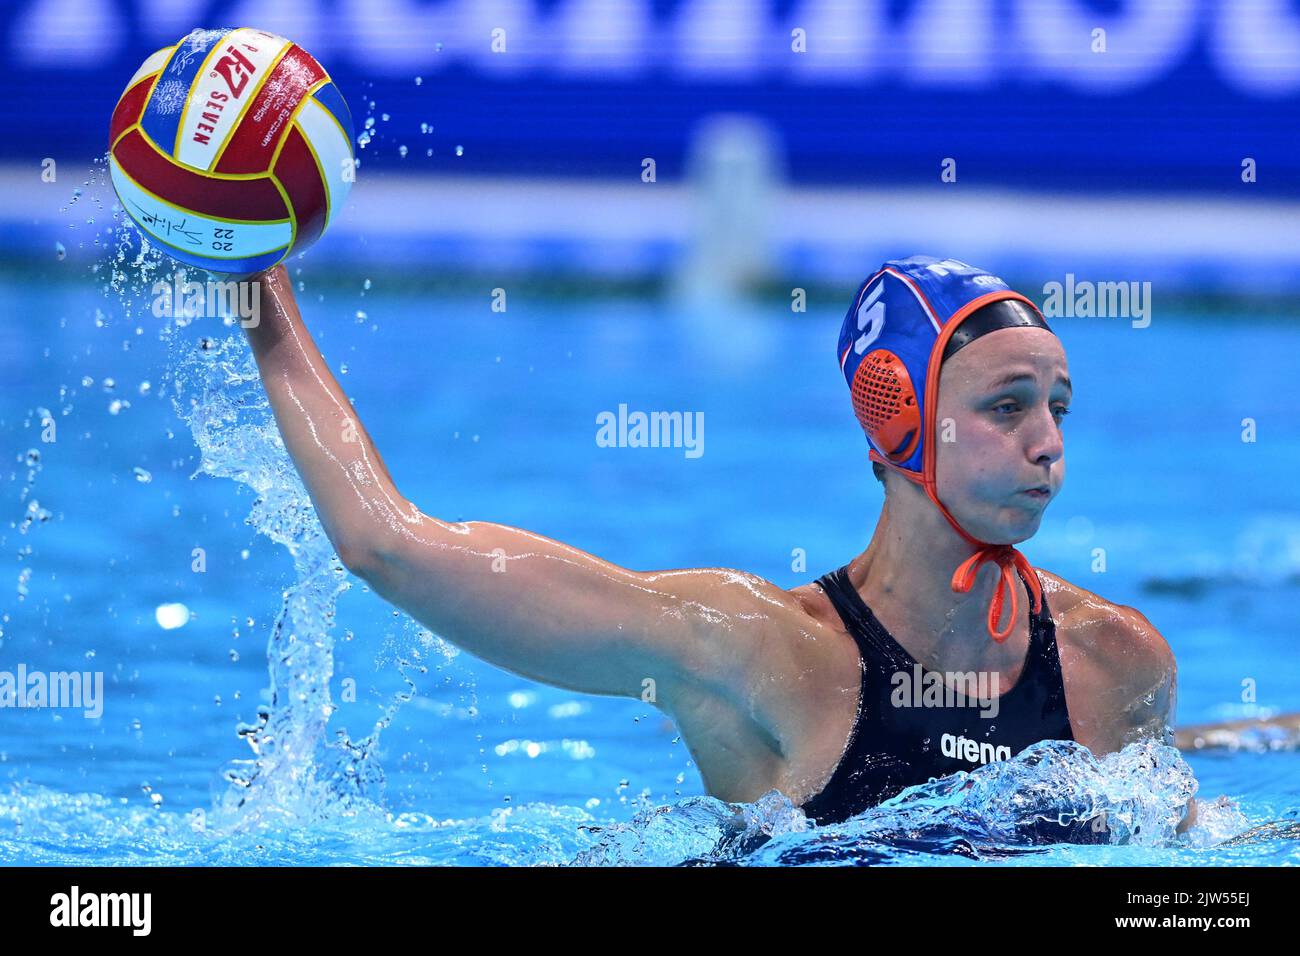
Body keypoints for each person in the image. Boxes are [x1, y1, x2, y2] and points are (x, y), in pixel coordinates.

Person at [237, 254, 1201, 834]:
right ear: (897, 414)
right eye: (1006, 407)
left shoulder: (1115, 662)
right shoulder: (754, 651)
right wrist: (258, 290)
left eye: (1058, 408)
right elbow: (386, 546)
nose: (1049, 444)